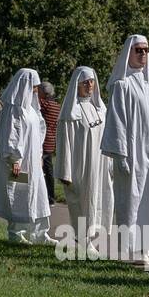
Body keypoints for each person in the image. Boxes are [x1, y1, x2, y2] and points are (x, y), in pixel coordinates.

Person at [101, 34, 149, 264]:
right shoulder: (122, 85)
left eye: (146, 50)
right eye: (138, 50)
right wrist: (120, 154)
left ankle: (145, 245)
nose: (143, 54)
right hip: (133, 151)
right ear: (129, 52)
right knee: (131, 199)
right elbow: (117, 121)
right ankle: (127, 249)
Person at [55, 66, 113, 257]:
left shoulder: (100, 108)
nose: (89, 85)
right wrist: (65, 171)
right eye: (85, 82)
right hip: (81, 167)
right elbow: (64, 143)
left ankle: (93, 240)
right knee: (81, 203)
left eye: (91, 81)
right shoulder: (70, 113)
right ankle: (82, 242)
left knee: (99, 201)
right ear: (77, 85)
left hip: (100, 167)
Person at [0, 68, 52, 244]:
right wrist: (14, 160)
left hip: (33, 162)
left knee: (39, 195)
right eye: (33, 86)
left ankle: (40, 233)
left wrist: (40, 155)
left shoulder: (32, 109)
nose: (35, 90)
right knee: (18, 195)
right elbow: (11, 136)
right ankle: (16, 233)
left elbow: (40, 132)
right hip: (18, 163)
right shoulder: (13, 109)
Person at [39, 82, 60, 204]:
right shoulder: (57, 106)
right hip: (51, 141)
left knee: (41, 169)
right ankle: (51, 197)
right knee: (48, 169)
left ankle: (45, 197)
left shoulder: (45, 104)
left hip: (43, 142)